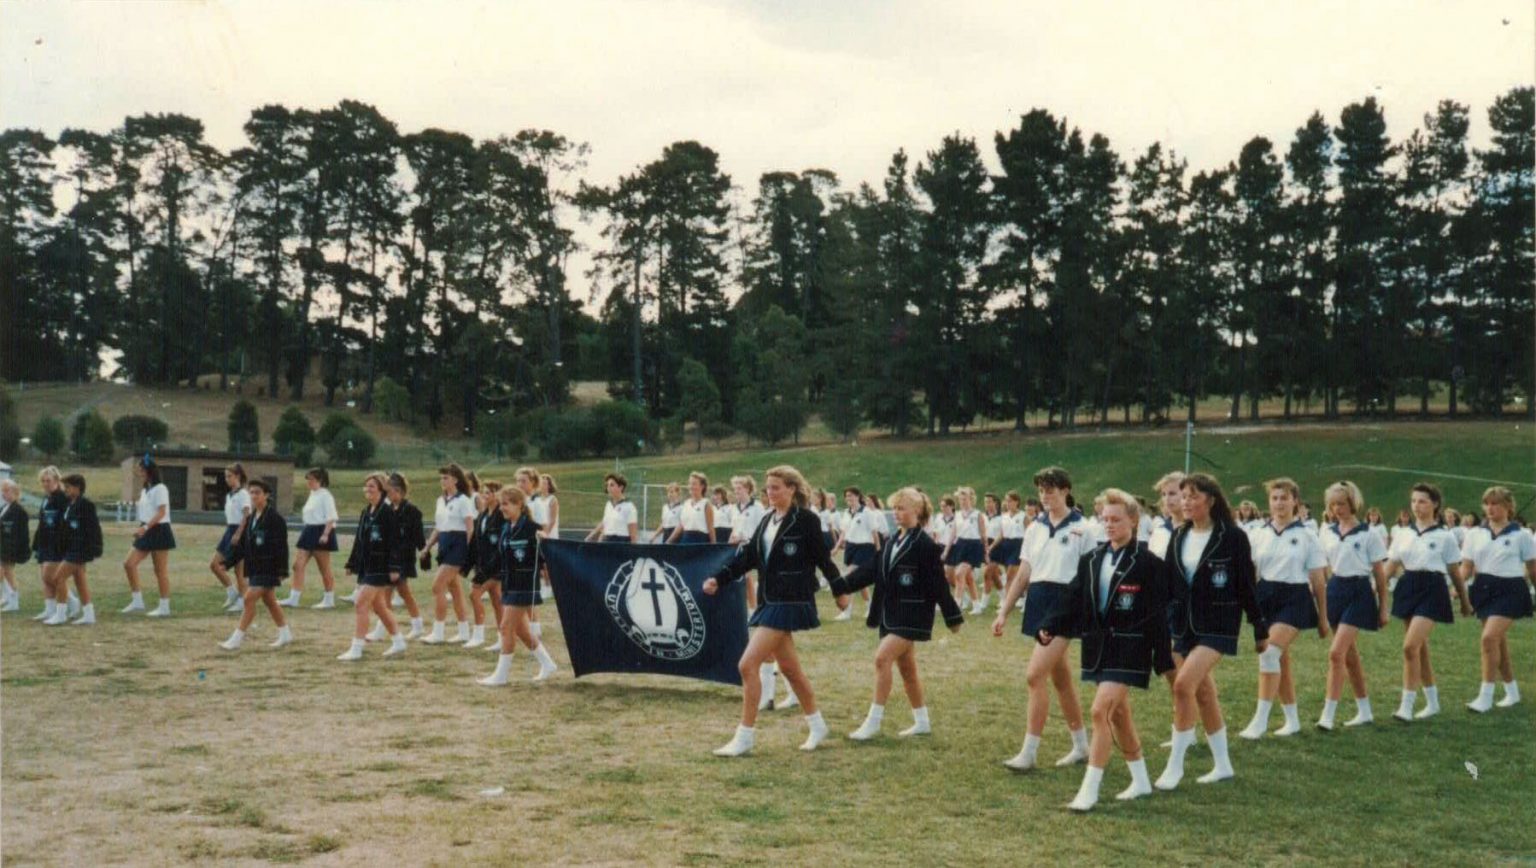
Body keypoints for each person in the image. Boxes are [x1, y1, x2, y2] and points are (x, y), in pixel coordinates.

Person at [1038, 489, 1174, 811]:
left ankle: (1090, 789)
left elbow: (1158, 615)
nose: (1109, 525)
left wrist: (1163, 657)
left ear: (1134, 521)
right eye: (1105, 520)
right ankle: (1140, 781)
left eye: (1116, 519)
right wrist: (1051, 624)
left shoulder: (1149, 564)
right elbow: (1073, 597)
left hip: (1132, 649)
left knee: (1100, 711)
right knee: (1118, 716)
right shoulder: (1092, 559)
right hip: (1099, 648)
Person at [705, 466, 844, 757]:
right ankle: (818, 725)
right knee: (791, 670)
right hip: (771, 600)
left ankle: (745, 736)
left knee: (746, 665)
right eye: (768, 487)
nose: (770, 492)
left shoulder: (806, 520)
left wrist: (839, 590)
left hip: (790, 601)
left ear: (792, 489)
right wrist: (719, 578)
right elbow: (748, 557)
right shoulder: (767, 520)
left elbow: (824, 558)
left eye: (776, 487)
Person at [1155, 473, 1268, 791]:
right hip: (1182, 626)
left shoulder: (1233, 537)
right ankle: (1223, 766)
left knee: (1182, 686)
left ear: (1211, 500)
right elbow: (1168, 584)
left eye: (1193, 496)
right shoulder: (1178, 537)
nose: (1186, 502)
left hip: (1218, 625)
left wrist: (1259, 626)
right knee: (1203, 693)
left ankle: (1174, 767)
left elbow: (1246, 585)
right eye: (1183, 496)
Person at [992, 467, 1100, 773]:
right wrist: (1003, 611)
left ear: (1066, 490)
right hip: (1038, 601)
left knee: (1034, 675)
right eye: (1041, 490)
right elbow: (1025, 571)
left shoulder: (1085, 528)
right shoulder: (1034, 528)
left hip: (1066, 604)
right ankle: (1081, 746)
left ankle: (1029, 752)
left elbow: (1089, 576)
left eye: (1051, 489)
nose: (1045, 496)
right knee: (1060, 676)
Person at [836, 487, 964, 742]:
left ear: (916, 511)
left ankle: (873, 722)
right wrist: (840, 584)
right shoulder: (892, 541)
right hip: (889, 614)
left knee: (882, 659)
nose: (896, 513)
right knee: (907, 670)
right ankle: (922, 722)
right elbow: (871, 570)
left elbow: (938, 583)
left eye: (901, 508)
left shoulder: (926, 545)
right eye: (894, 508)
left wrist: (953, 617)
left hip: (912, 615)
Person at [1239, 478, 1329, 740]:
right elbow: (1251, 573)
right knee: (1279, 659)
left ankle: (1260, 721)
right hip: (1266, 596)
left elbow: (1318, 580)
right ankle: (1292, 720)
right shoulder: (1258, 534)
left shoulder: (1307, 536)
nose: (1279, 503)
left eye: (1284, 498)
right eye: (1274, 498)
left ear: (1295, 502)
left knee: (1269, 654)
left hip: (1295, 597)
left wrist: (1323, 617)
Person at [1386, 482, 1471, 722]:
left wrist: (1464, 601)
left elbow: (1455, 572)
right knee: (1419, 649)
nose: (1416, 506)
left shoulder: (1445, 536)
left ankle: (1407, 706)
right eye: (1413, 501)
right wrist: (1373, 588)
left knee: (1410, 646)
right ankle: (1432, 702)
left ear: (1435, 504)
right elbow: (1390, 567)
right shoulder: (1403, 533)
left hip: (1433, 589)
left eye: (1422, 501)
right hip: (1408, 586)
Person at [1316, 481, 1391, 730]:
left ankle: (1328, 714)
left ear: (1353, 503)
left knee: (1336, 653)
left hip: (1359, 592)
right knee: (1349, 656)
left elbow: (1380, 574)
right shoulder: (1326, 532)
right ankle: (1364, 710)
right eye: (1333, 504)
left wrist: (1383, 607)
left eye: (1342, 503)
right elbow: (1323, 565)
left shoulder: (1369, 534)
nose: (1338, 508)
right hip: (1336, 589)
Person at [1460, 486, 1535, 712]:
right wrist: (1456, 589)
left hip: (1511, 590)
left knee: (1489, 638)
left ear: (1508, 507)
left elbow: (1532, 569)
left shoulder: (1522, 535)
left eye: (1496, 504)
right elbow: (1466, 567)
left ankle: (1486, 696)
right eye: (1487, 503)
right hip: (1483, 588)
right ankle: (1512, 691)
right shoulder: (1474, 534)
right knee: (1497, 641)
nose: (1490, 508)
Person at [478, 486, 559, 685]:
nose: (502, 508)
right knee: (521, 631)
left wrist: (545, 547)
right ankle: (548, 664)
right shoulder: (507, 528)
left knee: (505, 627)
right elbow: (501, 557)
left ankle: (501, 676)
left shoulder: (533, 529)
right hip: (509, 584)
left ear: (519, 505)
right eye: (501, 504)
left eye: (506, 504)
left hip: (524, 586)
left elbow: (545, 556)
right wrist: (482, 575)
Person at [338, 473, 408, 660]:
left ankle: (357, 648)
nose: (367, 490)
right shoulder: (366, 511)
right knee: (380, 607)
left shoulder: (387, 513)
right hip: (366, 566)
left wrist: (394, 567)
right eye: (366, 486)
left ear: (381, 490)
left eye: (372, 486)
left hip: (380, 566)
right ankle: (399, 641)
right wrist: (351, 563)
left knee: (360, 602)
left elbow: (395, 542)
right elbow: (359, 540)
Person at [219, 479, 293, 651]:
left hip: (269, 568)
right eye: (251, 492)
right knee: (270, 601)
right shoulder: (251, 517)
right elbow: (244, 545)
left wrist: (282, 570)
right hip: (255, 568)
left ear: (266, 495)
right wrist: (228, 562)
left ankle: (236, 639)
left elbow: (282, 546)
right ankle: (285, 633)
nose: (253, 496)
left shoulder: (275, 519)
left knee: (248, 598)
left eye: (257, 492)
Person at [421, 463, 476, 645]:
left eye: (446, 477)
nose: (442, 481)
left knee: (438, 586)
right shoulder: (440, 500)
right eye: (441, 477)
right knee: (456, 590)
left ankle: (438, 632)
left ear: (456, 480)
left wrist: (470, 553)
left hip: (458, 545)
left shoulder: (463, 501)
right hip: (444, 543)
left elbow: (470, 528)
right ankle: (463, 631)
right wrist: (427, 546)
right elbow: (439, 527)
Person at [123, 455, 176, 617]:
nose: (139, 472)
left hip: (159, 530)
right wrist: (142, 527)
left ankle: (164, 607)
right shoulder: (146, 489)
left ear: (149, 471)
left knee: (160, 570)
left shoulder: (161, 488)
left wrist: (145, 528)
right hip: (146, 529)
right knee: (128, 564)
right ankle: (137, 601)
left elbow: (161, 513)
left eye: (141, 469)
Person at [53, 474, 103, 626]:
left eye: (67, 487)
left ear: (78, 488)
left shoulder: (86, 505)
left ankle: (60, 614)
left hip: (80, 549)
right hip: (71, 548)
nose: (65, 490)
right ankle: (89, 614)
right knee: (80, 581)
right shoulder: (70, 504)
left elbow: (94, 528)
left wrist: (95, 548)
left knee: (58, 578)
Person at [286, 468, 339, 609]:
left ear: (320, 480)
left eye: (311, 479)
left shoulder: (326, 495)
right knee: (298, 566)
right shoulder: (312, 494)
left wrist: (325, 534)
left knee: (324, 568)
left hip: (321, 531)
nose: (308, 482)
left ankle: (329, 600)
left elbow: (331, 517)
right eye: (307, 479)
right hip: (309, 530)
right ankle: (294, 599)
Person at [383, 473, 427, 641]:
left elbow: (418, 536)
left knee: (393, 592)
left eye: (389, 491)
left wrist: (424, 553)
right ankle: (416, 625)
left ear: (398, 491)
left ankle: (412, 625)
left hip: (403, 556)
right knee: (400, 592)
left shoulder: (412, 511)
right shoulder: (387, 509)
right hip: (390, 556)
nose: (387, 495)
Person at [465, 480, 506, 650]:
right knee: (497, 601)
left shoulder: (501, 516)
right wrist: (467, 565)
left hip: (495, 567)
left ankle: (479, 635)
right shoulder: (482, 515)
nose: (484, 496)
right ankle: (503, 638)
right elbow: (475, 542)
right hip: (483, 565)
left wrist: (486, 570)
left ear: (497, 495)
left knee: (474, 595)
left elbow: (500, 546)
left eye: (488, 493)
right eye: (483, 492)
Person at [832, 486, 882, 622]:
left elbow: (874, 533)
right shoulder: (846, 513)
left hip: (865, 547)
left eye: (852, 495)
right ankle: (870, 607)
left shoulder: (867, 512)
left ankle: (846, 611)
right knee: (861, 581)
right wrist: (837, 547)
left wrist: (878, 551)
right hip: (851, 547)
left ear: (858, 496)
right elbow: (843, 532)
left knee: (850, 577)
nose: (849, 498)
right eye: (847, 496)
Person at [30, 467, 70, 622]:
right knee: (44, 578)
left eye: (49, 480)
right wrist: (36, 543)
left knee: (52, 576)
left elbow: (64, 523)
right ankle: (49, 609)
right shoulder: (46, 498)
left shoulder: (62, 498)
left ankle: (66, 607)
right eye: (43, 481)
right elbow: (42, 522)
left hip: (57, 543)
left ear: (57, 481)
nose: (46, 484)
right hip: (44, 542)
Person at [211, 464, 251, 614]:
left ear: (238, 476)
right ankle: (231, 592)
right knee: (214, 565)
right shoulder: (229, 495)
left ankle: (242, 601)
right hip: (229, 530)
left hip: (240, 531)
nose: (227, 479)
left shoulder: (243, 494)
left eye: (230, 476)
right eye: (225, 476)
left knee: (239, 570)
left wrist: (238, 534)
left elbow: (247, 515)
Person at [950, 487, 987, 615]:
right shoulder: (957, 515)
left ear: (971, 499)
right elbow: (953, 534)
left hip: (974, 546)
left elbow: (983, 535)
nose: (962, 502)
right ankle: (976, 605)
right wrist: (946, 550)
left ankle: (956, 606)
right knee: (969, 578)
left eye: (965, 499)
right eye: (960, 499)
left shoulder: (978, 514)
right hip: (960, 545)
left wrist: (986, 553)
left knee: (959, 574)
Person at [0, 478, 31, 613]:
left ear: (15, 492)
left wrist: (18, 549)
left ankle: (13, 600)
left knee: (8, 573)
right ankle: (8, 596)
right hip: (3, 545)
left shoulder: (19, 511)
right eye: (2, 491)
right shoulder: (4, 507)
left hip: (11, 547)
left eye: (7, 491)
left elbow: (22, 533)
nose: (3, 494)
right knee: (4, 573)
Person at [585, 473, 639, 543]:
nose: (608, 488)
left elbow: (633, 536)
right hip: (607, 542)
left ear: (621, 487)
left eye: (612, 485)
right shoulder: (608, 505)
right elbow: (605, 524)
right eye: (607, 485)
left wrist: (633, 552)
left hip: (621, 544)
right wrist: (590, 537)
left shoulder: (629, 507)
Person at [668, 472, 716, 545]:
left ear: (702, 486)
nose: (691, 486)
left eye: (694, 484)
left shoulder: (706, 504)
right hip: (686, 540)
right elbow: (681, 525)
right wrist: (668, 541)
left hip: (700, 542)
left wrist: (714, 547)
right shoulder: (686, 503)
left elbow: (711, 528)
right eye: (689, 483)